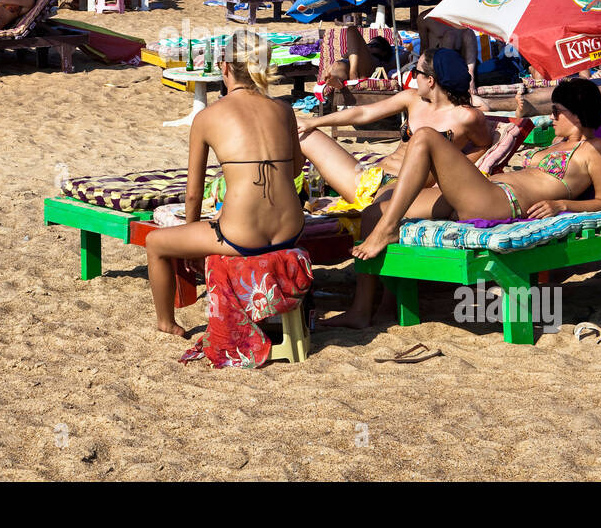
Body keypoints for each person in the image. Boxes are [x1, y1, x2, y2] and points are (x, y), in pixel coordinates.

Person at [327, 78, 601, 327]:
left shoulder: (596, 149)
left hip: (500, 203)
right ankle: (364, 311)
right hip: (484, 192)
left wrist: (563, 205)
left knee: (425, 136)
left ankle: (388, 231)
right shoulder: (554, 143)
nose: (552, 117)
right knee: (375, 210)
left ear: (577, 115)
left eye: (557, 112)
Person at [145, 30, 305, 337]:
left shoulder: (207, 116)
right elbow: (297, 169)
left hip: (242, 235)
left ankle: (166, 322)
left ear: (225, 67)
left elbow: (193, 194)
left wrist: (190, 247)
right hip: (291, 228)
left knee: (156, 244)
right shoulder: (284, 110)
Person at [300, 49, 491, 202]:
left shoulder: (467, 117)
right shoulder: (413, 99)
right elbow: (363, 113)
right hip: (370, 177)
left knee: (302, 137)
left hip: (397, 192)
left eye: (416, 72)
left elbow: (483, 145)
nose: (413, 77)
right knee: (300, 129)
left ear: (430, 80)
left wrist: (449, 173)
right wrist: (314, 122)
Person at [321, 25, 412, 92]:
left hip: (366, 69)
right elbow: (344, 55)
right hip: (347, 65)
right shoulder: (358, 52)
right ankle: (336, 80)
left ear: (384, 51)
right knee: (338, 66)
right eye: (368, 45)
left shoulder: (384, 61)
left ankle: (353, 72)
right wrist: (354, 50)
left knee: (352, 29)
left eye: (375, 45)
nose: (370, 47)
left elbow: (406, 55)